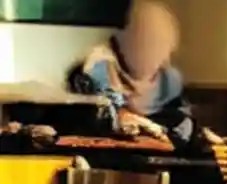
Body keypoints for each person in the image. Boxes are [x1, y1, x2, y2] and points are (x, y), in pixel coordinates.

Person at [67, 0, 206, 146]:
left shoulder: (168, 82)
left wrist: (199, 136)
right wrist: (133, 120)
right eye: (147, 39)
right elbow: (101, 116)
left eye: (161, 43)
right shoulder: (95, 70)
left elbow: (183, 124)